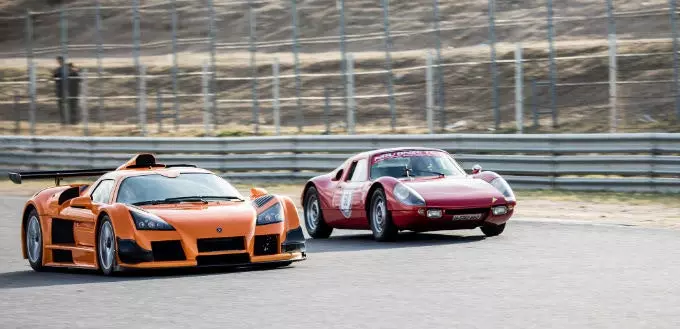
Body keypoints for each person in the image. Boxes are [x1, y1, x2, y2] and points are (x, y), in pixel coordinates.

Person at [52, 56, 80, 125]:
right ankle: (65, 120)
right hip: (62, 91)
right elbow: (55, 79)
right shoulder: (58, 70)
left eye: (60, 61)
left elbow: (78, 79)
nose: (59, 62)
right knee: (63, 106)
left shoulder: (71, 69)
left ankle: (72, 121)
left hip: (71, 90)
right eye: (58, 61)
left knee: (72, 105)